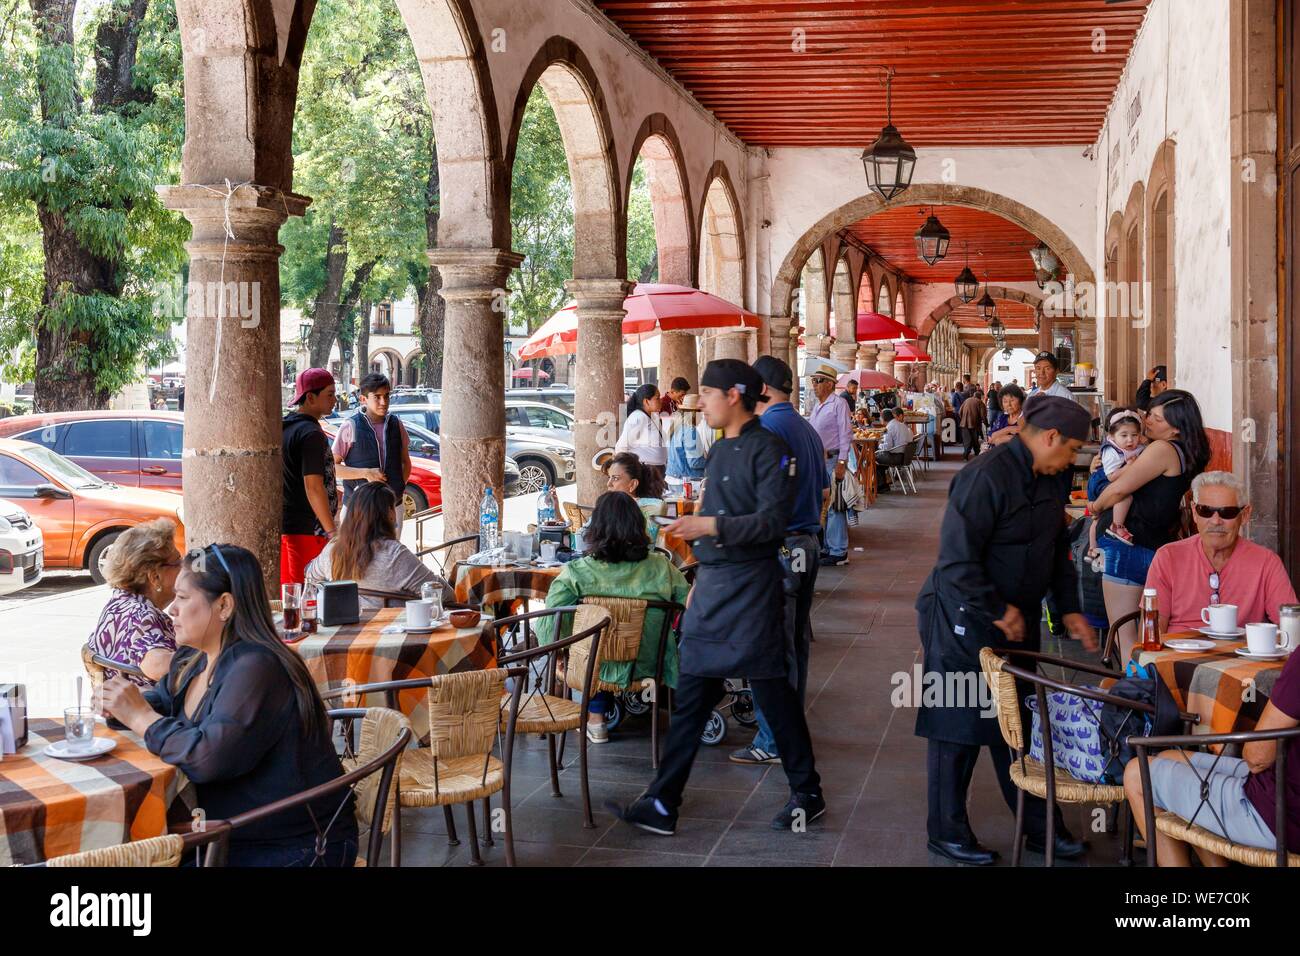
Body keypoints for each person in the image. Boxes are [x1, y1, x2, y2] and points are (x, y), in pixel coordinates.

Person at [611, 359, 824, 834]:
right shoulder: (722, 451)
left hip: (753, 590)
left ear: (733, 395)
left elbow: (771, 524)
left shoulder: (771, 449)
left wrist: (708, 525)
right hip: (714, 590)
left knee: (776, 697)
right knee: (690, 699)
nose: (698, 401)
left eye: (706, 393)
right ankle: (663, 802)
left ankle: (807, 791)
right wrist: (698, 579)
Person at [916, 394, 1098, 866]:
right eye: (1073, 449)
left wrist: (1069, 608)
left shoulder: (1053, 478)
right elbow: (955, 561)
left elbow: (1057, 550)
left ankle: (1039, 828)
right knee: (956, 724)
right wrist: (998, 608)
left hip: (1016, 620)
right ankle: (946, 831)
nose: (1074, 459)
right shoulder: (984, 477)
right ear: (1051, 437)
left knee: (1020, 724)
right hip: (962, 615)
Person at [97, 543, 358, 867]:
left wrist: (141, 718)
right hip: (229, 831)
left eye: (183, 597)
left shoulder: (256, 666)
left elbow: (208, 757)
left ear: (223, 605)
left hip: (295, 845)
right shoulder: (192, 660)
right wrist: (120, 706)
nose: (171, 610)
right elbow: (158, 702)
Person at [731, 355, 828, 766]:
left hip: (781, 549)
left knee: (773, 647)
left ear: (763, 390)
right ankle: (785, 728)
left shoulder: (768, 428)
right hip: (806, 544)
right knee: (795, 645)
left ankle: (773, 741)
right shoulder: (805, 428)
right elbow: (824, 491)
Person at [1124, 645, 1300, 863]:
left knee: (1136, 773)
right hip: (1282, 784)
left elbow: (1256, 757)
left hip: (1280, 818)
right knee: (1171, 757)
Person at [538, 491, 690, 744]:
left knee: (592, 646)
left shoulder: (577, 572)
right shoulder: (662, 567)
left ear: (596, 528)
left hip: (592, 667)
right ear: (638, 526)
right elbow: (688, 604)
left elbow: (547, 628)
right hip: (650, 664)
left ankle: (596, 720)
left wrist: (565, 652)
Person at [1093, 390, 1210, 661]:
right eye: (1149, 415)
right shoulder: (1187, 451)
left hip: (1129, 546)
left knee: (1125, 635)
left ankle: (1135, 696)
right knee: (1151, 633)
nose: (1147, 422)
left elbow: (1119, 488)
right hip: (1155, 543)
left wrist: (1095, 507)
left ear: (1176, 427)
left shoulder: (1162, 449)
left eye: (1156, 418)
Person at [1144, 471, 1298, 633]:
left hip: (1243, 656)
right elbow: (1152, 631)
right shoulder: (1168, 557)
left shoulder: (1266, 562)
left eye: (1227, 512)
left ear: (1245, 515)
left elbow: (1290, 626)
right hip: (1178, 655)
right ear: (1195, 512)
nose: (1216, 521)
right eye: (1205, 511)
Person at [305, 482, 452, 610]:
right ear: (389, 513)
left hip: (345, 633)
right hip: (394, 633)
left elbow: (310, 575)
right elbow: (446, 596)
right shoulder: (395, 555)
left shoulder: (333, 549)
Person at [89, 518, 180, 685]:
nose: (184, 568)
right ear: (155, 576)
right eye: (178, 562)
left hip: (120, 708)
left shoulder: (117, 604)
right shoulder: (142, 616)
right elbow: (158, 665)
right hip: (149, 710)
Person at [332, 372, 412, 532]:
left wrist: (396, 487)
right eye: (377, 397)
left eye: (386, 396)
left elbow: (405, 463)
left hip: (392, 508)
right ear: (363, 399)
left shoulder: (397, 425)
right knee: (358, 556)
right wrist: (366, 473)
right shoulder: (350, 426)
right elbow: (333, 468)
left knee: (390, 556)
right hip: (359, 508)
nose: (383, 402)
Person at [282, 368, 339, 586]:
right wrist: (331, 530)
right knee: (305, 593)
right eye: (330, 394)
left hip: (289, 526)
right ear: (311, 397)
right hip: (307, 529)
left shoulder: (288, 427)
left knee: (290, 592)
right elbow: (313, 486)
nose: (334, 400)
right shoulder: (311, 434)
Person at [807, 362, 852, 567]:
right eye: (813, 381)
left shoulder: (839, 404)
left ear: (830, 384)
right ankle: (826, 546)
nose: (814, 385)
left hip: (833, 460)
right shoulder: (817, 406)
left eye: (818, 381)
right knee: (822, 505)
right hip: (818, 461)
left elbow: (846, 434)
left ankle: (839, 550)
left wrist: (842, 462)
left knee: (835, 505)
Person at [1088, 407, 1146, 550]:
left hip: (1109, 480)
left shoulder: (1136, 445)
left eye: (1134, 435)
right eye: (1124, 435)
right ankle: (1117, 526)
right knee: (1125, 497)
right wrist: (1129, 466)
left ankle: (1092, 549)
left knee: (1097, 520)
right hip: (1103, 482)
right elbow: (1112, 476)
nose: (1130, 440)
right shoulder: (1111, 450)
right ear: (1112, 436)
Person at [602, 452, 667, 545]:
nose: (608, 484)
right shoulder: (607, 505)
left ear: (632, 484)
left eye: (615, 478)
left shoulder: (652, 507)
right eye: (609, 478)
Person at [615, 384, 667, 482]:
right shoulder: (638, 417)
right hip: (646, 471)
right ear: (646, 401)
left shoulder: (651, 416)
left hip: (655, 471)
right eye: (657, 398)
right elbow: (621, 446)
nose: (661, 401)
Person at [665, 393, 712, 483]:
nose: (702, 418)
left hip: (672, 478)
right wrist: (710, 460)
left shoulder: (676, 427)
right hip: (685, 481)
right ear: (696, 413)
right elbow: (694, 462)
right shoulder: (690, 431)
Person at [874, 408, 911, 489]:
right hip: (904, 456)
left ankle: (880, 486)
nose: (880, 419)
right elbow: (909, 440)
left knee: (871, 458)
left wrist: (879, 445)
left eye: (880, 417)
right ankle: (883, 484)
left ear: (883, 418)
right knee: (878, 459)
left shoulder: (889, 428)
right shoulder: (903, 425)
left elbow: (887, 447)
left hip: (895, 457)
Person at [986, 383, 1026, 447]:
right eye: (1005, 401)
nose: (1009, 405)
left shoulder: (1026, 419)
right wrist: (1008, 429)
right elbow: (990, 438)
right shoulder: (1003, 417)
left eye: (1012, 400)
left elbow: (1026, 443)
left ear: (1021, 401)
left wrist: (1001, 438)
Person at [958, 385, 985, 460]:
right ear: (979, 397)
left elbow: (959, 412)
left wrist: (963, 419)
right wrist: (986, 423)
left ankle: (967, 456)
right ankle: (976, 454)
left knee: (967, 440)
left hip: (964, 424)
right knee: (974, 440)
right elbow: (983, 415)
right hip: (974, 424)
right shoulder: (980, 402)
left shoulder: (967, 400)